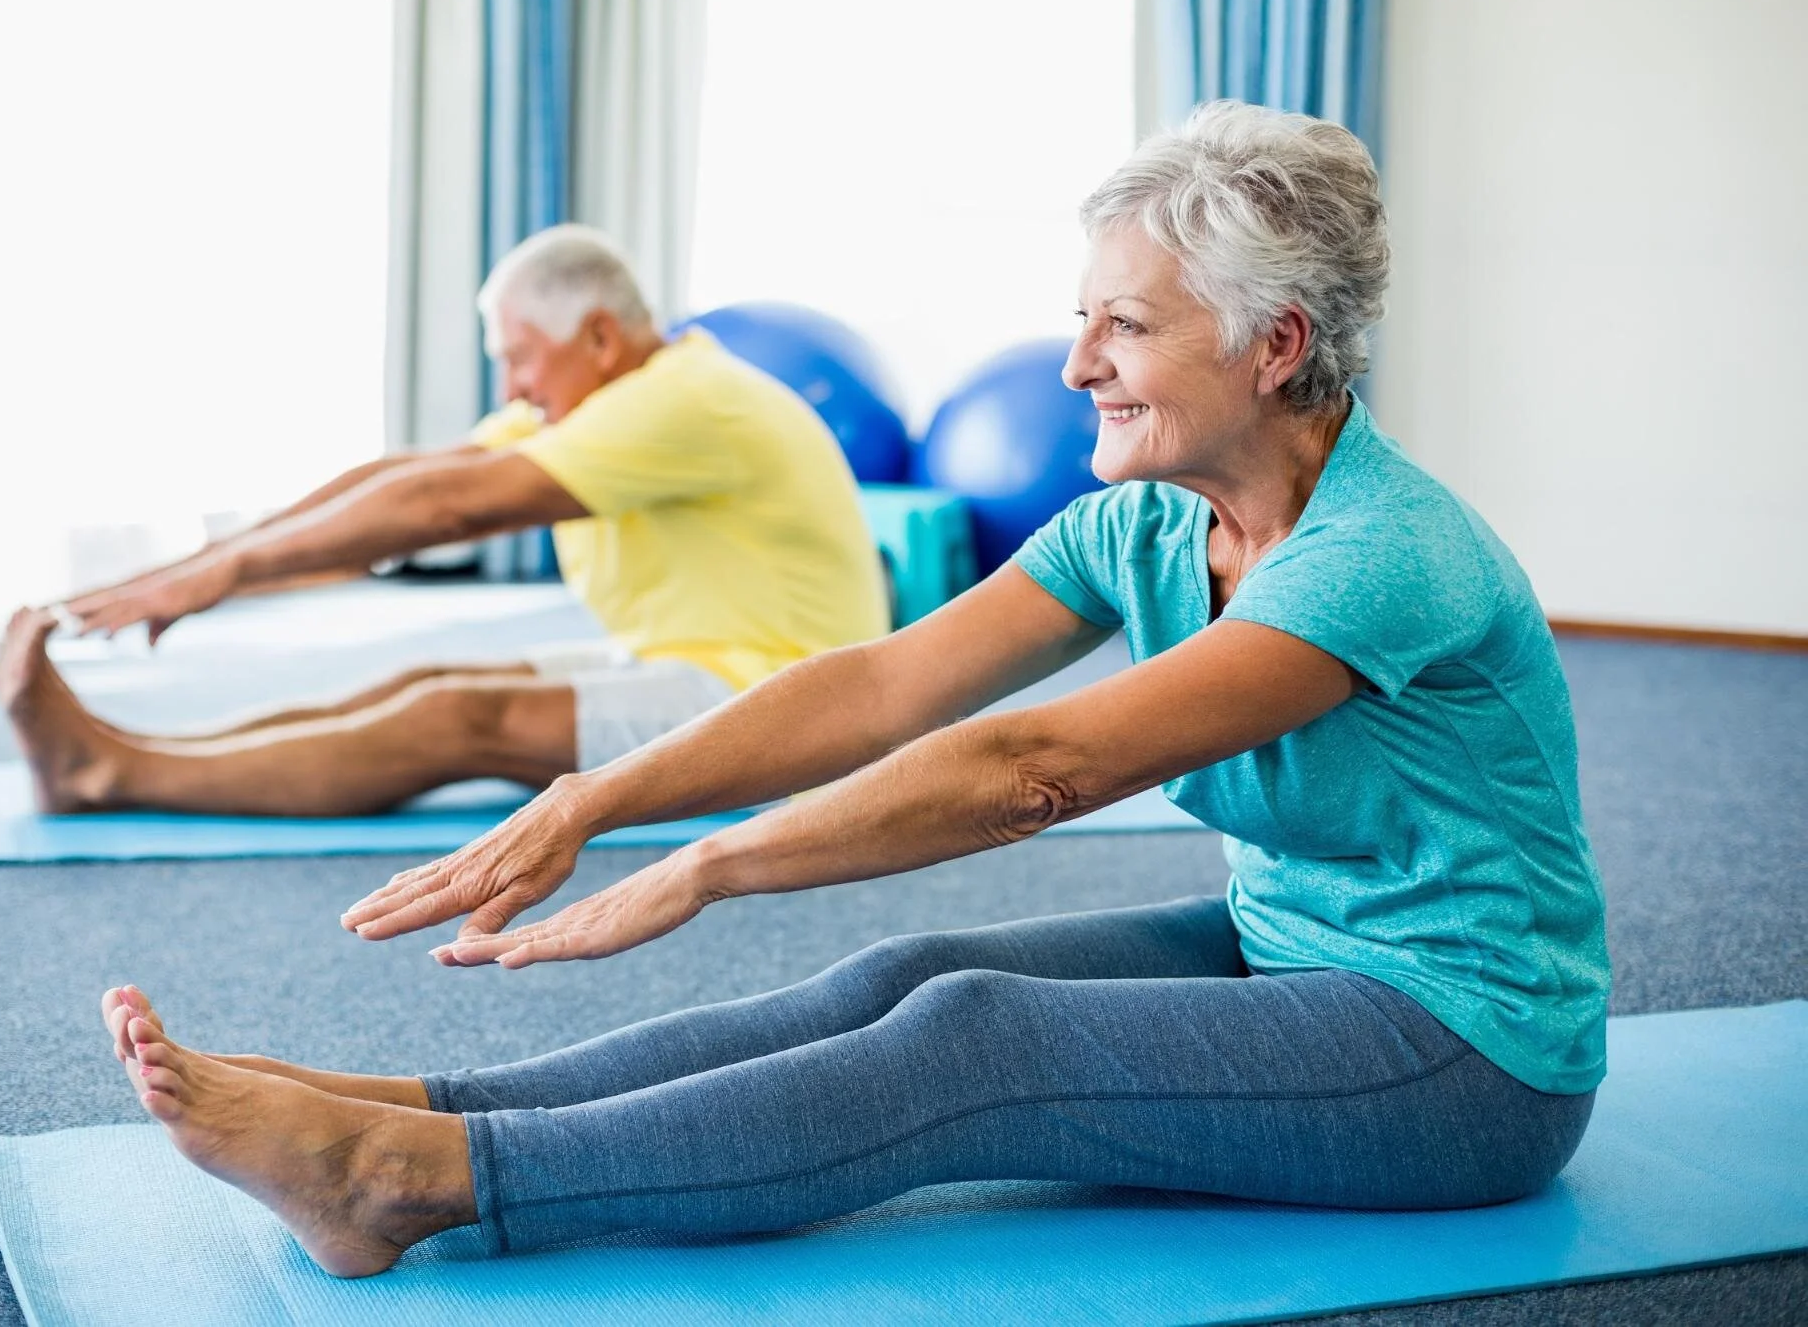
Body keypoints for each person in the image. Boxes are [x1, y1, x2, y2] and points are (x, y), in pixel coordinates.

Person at [97, 102, 1611, 1277]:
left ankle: (406, 1187)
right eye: (1077, 313)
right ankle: (428, 1108)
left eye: (1123, 324)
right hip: (1290, 949)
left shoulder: (1379, 556)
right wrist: (599, 798)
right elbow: (889, 682)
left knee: (977, 1039)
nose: (1074, 362)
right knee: (897, 975)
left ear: (1274, 343)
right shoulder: (1144, 520)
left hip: (1460, 1050)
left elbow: (1033, 768)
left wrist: (708, 863)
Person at [0, 225, 889, 816]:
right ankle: (131, 749)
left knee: (457, 716)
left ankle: (107, 774)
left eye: (520, 361)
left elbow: (442, 510)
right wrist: (210, 556)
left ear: (600, 339)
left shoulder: (686, 401)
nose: (510, 390)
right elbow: (411, 476)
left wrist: (221, 577)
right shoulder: (611, 398)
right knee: (426, 675)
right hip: (703, 666)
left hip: (784, 707)